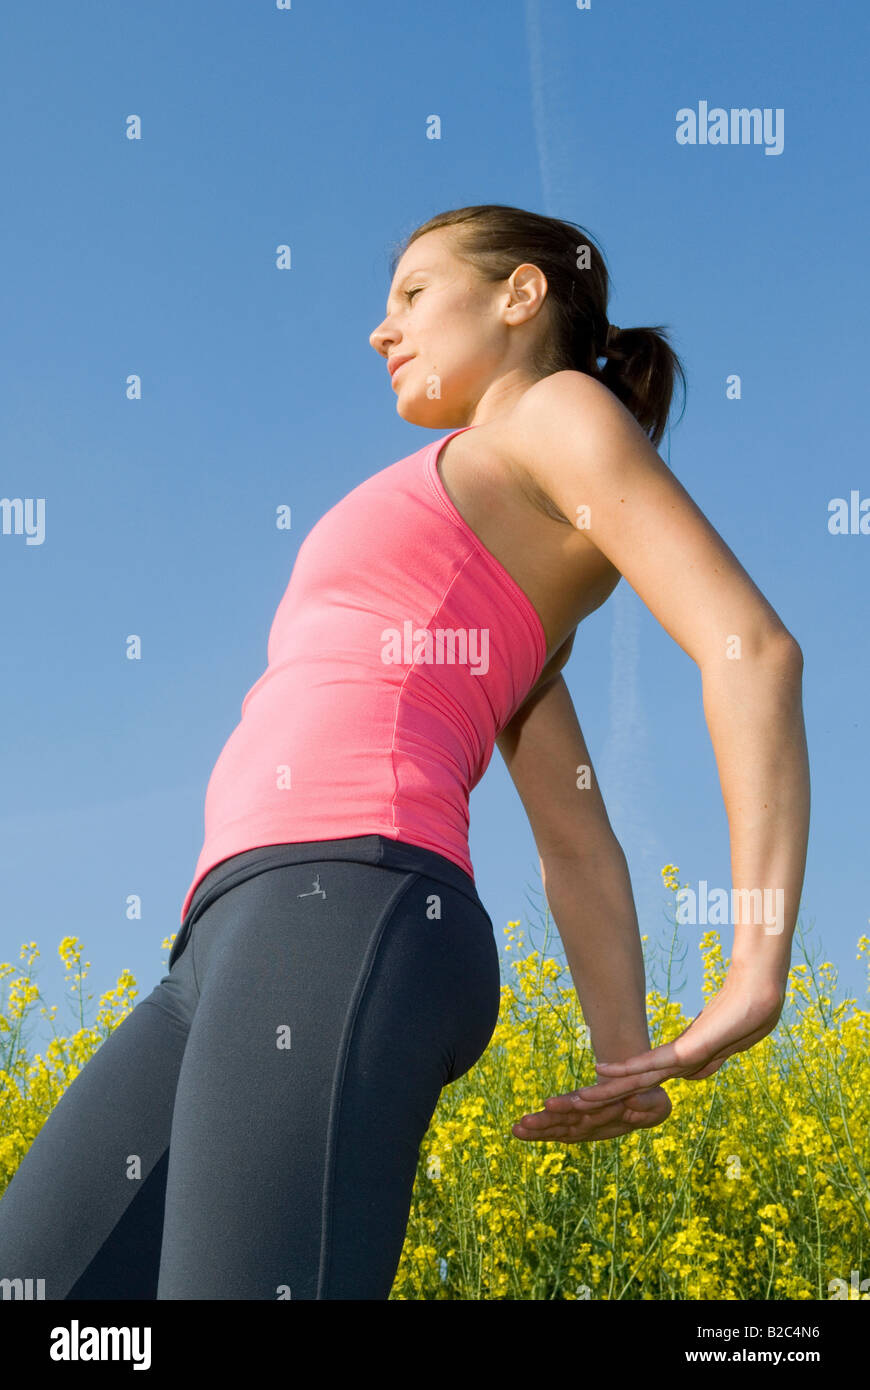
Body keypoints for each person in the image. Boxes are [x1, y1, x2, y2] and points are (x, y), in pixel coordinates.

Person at [0, 204, 809, 1300]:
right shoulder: (498, 555)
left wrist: (754, 963)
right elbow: (575, 835)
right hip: (227, 938)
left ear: (522, 294)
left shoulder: (558, 410)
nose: (382, 331)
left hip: (344, 906)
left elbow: (750, 646)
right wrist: (628, 1056)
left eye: (415, 295)